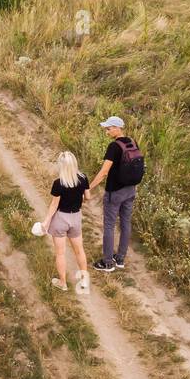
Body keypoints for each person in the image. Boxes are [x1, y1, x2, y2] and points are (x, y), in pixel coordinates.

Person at [88, 116, 143, 272]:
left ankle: (107, 262)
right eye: (106, 128)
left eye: (109, 128)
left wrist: (89, 187)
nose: (106, 131)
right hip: (130, 190)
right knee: (126, 224)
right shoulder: (133, 142)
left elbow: (104, 172)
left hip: (115, 192)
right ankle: (120, 259)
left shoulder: (114, 147)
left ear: (118, 128)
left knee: (109, 226)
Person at [41, 151, 91, 292]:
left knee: (60, 253)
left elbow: (54, 205)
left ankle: (62, 283)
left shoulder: (58, 183)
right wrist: (81, 199)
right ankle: (84, 280)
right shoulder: (83, 178)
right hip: (76, 218)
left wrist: (46, 222)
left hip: (61, 218)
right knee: (79, 251)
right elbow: (88, 197)